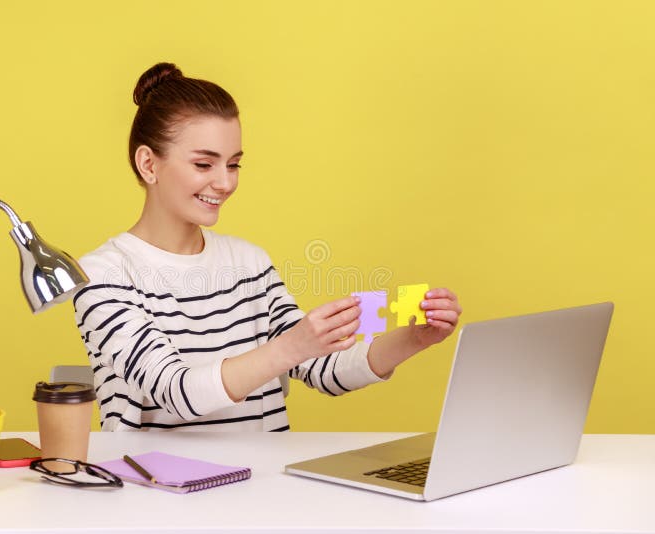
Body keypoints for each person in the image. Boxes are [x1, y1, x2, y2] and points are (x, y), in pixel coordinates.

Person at [73, 62, 462, 431]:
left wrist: (414, 338)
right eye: (205, 165)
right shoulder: (101, 275)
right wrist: (291, 346)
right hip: (158, 492)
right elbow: (176, 392)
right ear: (148, 164)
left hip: (261, 487)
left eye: (234, 164)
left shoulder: (248, 262)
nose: (225, 183)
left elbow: (322, 369)